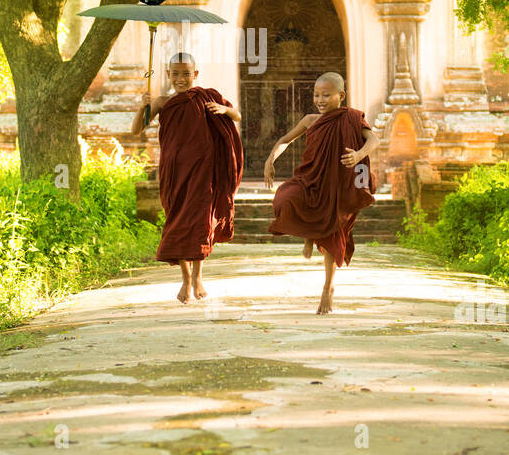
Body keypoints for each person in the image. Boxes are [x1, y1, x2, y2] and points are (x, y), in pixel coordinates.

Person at [132, 52, 244, 304]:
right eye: (176, 73)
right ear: (168, 74)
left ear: (195, 74)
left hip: (203, 171)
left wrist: (224, 109)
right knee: (178, 221)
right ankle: (184, 277)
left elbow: (236, 116)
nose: (181, 79)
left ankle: (198, 277)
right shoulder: (162, 102)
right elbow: (136, 129)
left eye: (186, 73)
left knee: (201, 222)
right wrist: (143, 106)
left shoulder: (207, 97)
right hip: (174, 170)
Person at [263, 72, 379, 314]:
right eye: (317, 95)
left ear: (341, 96)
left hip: (337, 185)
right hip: (311, 179)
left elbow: (373, 140)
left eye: (327, 95)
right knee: (285, 198)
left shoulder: (352, 118)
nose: (321, 99)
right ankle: (308, 236)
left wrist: (358, 155)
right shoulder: (310, 120)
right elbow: (285, 139)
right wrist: (270, 159)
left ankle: (327, 288)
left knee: (331, 236)